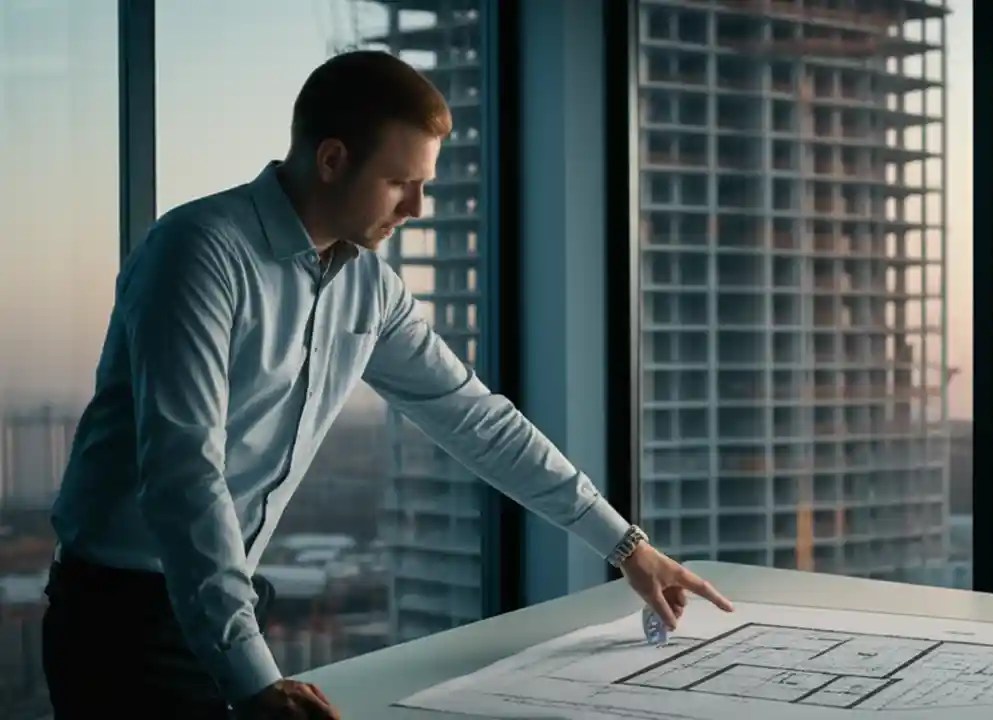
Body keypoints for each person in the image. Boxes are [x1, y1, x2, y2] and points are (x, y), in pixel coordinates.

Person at [42, 49, 733, 719]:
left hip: (221, 606)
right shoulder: (199, 253)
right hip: (122, 622)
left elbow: (476, 420)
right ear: (333, 159)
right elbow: (184, 471)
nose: (418, 208)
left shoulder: (368, 288)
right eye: (402, 182)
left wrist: (627, 547)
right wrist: (255, 678)